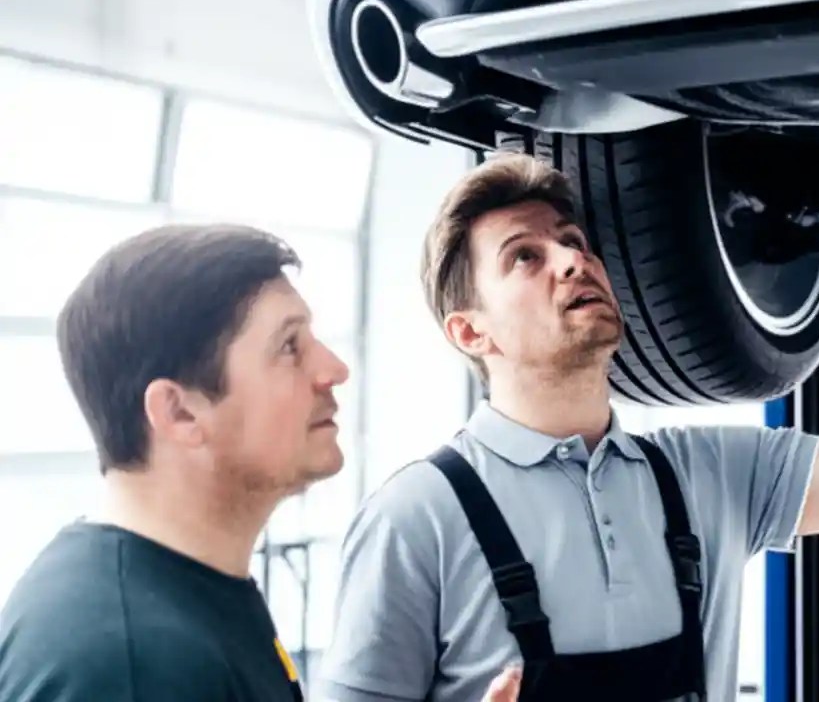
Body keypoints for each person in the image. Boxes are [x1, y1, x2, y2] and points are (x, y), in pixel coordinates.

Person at [317, 131, 819, 702]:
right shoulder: (415, 519)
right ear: (472, 333)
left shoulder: (707, 477)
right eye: (525, 258)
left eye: (572, 243)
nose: (573, 262)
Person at [0, 224, 522, 702]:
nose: (334, 369)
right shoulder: (134, 667)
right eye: (290, 347)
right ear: (179, 411)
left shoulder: (184, 591)